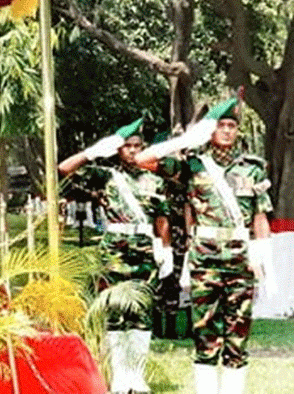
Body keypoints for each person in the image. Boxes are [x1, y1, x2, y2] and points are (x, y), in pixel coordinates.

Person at [135, 97, 274, 394]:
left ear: (237, 131)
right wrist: (185, 140)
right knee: (205, 336)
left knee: (238, 337)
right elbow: (141, 159)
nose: (226, 131)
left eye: (231, 126)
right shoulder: (192, 166)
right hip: (205, 263)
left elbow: (260, 216)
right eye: (220, 125)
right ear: (210, 131)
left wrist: (265, 260)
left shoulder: (252, 168)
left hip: (240, 261)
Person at [58, 119, 172, 394]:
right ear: (118, 150)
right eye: (127, 146)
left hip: (144, 248)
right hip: (114, 250)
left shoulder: (155, 179)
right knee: (115, 312)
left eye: (137, 146)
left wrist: (165, 249)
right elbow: (63, 170)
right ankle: (120, 377)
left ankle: (137, 376)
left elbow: (162, 218)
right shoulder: (105, 176)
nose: (133, 151)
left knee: (141, 313)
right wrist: (92, 152)